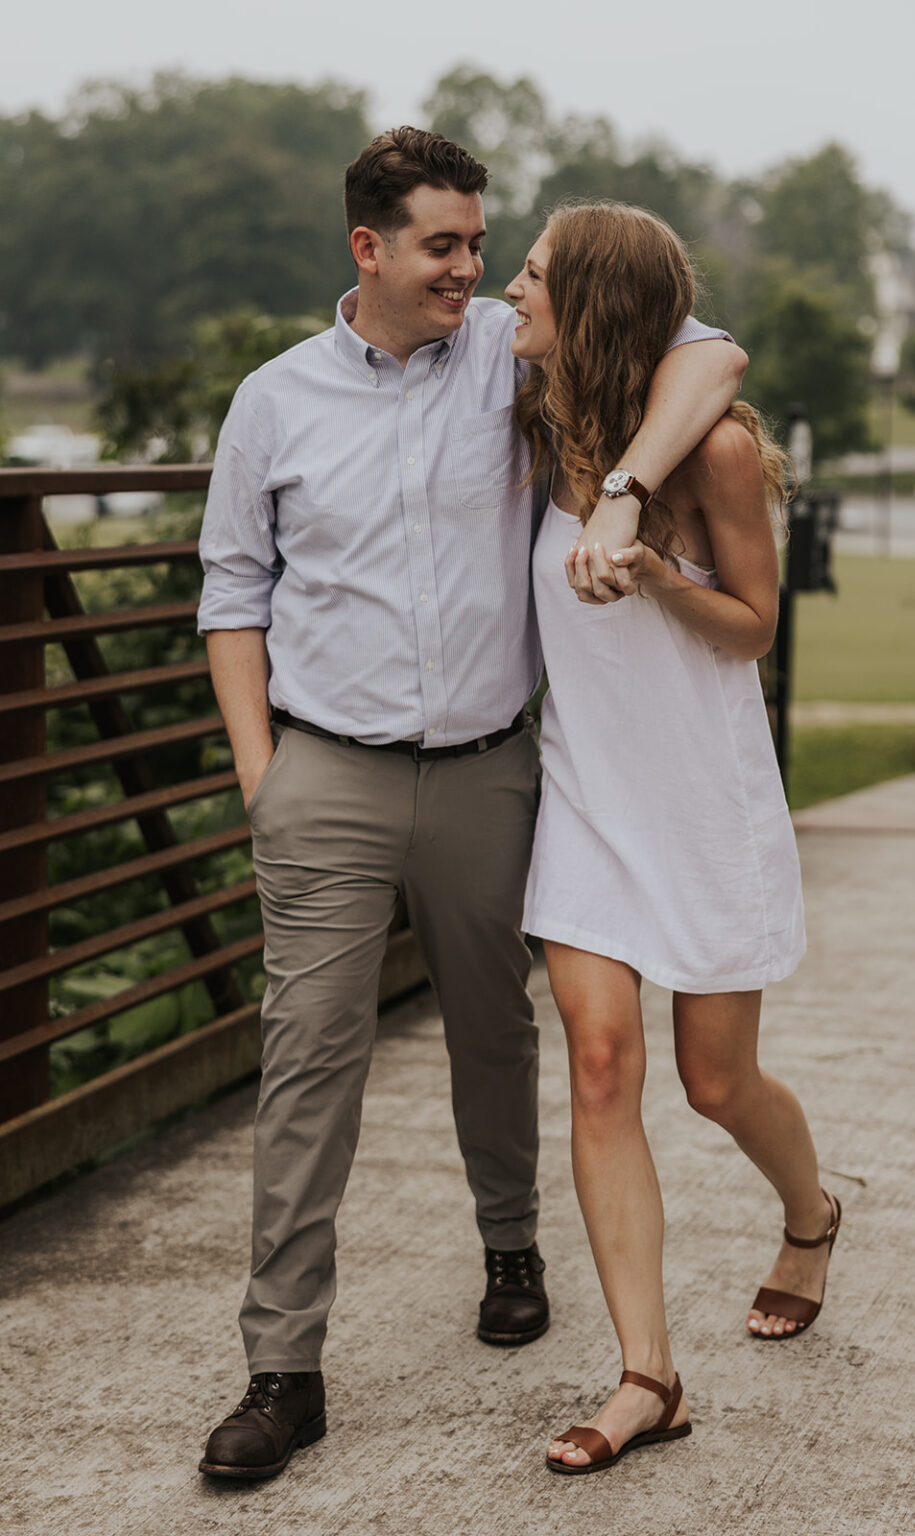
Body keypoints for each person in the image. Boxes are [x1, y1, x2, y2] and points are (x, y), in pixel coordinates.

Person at [195, 130, 747, 1482]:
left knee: (497, 1031)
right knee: (309, 1059)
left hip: (495, 767)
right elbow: (232, 593)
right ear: (368, 249)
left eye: (483, 247)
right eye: (444, 246)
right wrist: (264, 774)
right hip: (326, 771)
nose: (474, 271)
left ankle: (512, 1245)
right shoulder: (272, 401)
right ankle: (284, 1370)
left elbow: (711, 354)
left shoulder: (510, 366)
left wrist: (622, 493)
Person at [505, 201, 841, 1476]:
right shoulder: (544, 416)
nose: (509, 295)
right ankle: (649, 1376)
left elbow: (753, 624)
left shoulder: (715, 457)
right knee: (600, 1064)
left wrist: (647, 560)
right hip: (586, 797)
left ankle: (810, 1215)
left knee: (713, 1083)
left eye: (532, 276)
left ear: (587, 304)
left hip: (702, 804)